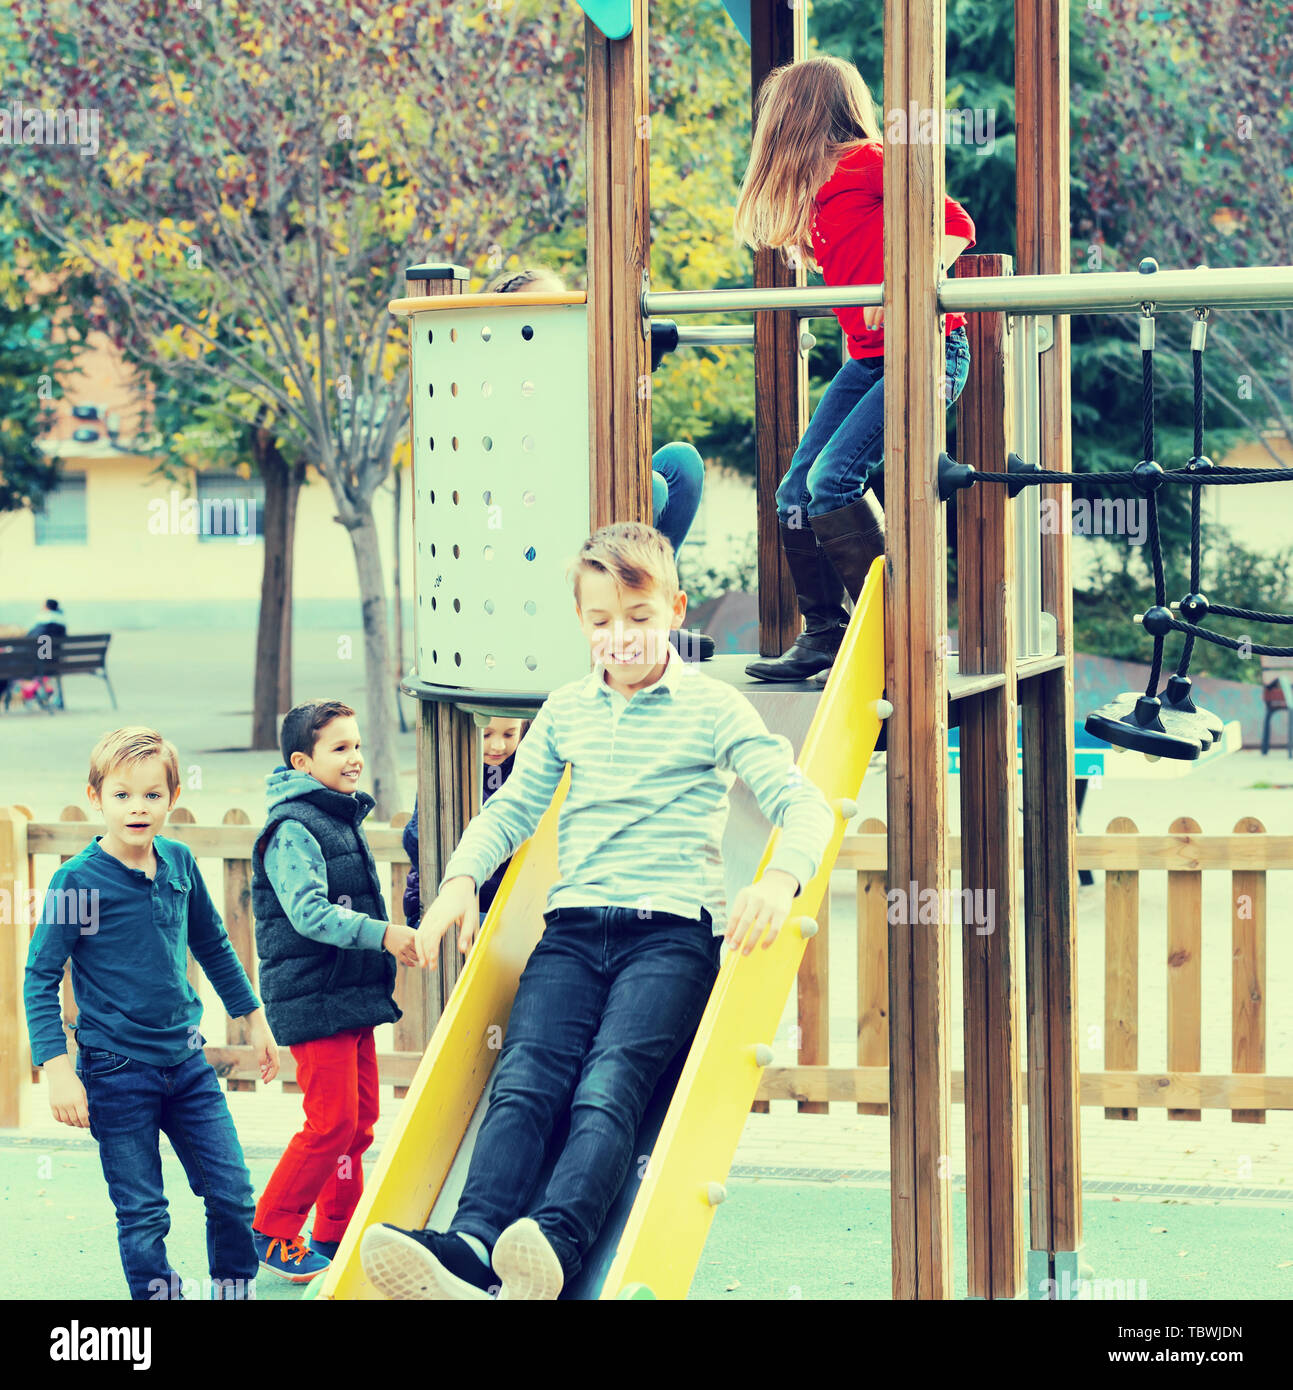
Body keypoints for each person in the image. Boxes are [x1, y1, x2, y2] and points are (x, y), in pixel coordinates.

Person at [359, 521, 836, 1300]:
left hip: (670, 937)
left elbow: (803, 804)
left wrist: (778, 880)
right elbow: (509, 811)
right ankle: (472, 1247)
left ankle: (551, 1243)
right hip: (573, 930)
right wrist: (457, 882)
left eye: (638, 618)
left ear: (675, 611)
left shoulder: (713, 709)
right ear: (581, 622)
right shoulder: (566, 711)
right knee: (525, 1078)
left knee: (609, 1082)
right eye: (601, 621)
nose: (620, 637)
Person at [733, 56, 976, 681]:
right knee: (795, 491)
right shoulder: (816, 191)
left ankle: (899, 632)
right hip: (870, 362)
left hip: (928, 354)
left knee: (833, 479)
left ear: (801, 116)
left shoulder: (868, 160)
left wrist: (900, 290)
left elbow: (954, 224)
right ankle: (823, 633)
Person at [23, 727, 277, 1300]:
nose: (138, 808)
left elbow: (212, 944)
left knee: (233, 1194)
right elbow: (39, 977)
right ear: (96, 796)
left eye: (152, 795)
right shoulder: (76, 882)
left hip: (187, 1064)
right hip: (115, 1072)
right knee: (142, 1213)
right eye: (122, 795)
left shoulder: (180, 862)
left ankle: (234, 1290)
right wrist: (58, 1069)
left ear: (173, 794)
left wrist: (254, 1020)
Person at [249, 699, 419, 1280]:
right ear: (303, 761)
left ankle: (335, 1231)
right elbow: (309, 915)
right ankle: (272, 1227)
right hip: (312, 995)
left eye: (357, 745)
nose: (355, 759)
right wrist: (386, 934)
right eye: (339, 748)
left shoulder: (338, 815)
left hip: (349, 996)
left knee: (361, 1120)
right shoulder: (293, 827)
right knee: (329, 1123)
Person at [486, 265, 715, 660]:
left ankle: (651, 613)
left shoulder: (575, 360)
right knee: (653, 487)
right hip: (539, 526)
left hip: (587, 494)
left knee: (682, 460)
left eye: (566, 305)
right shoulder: (507, 376)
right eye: (543, 309)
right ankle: (628, 617)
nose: (560, 317)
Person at [403, 715, 527, 929]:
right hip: (440, 901)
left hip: (501, 903)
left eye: (509, 734)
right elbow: (418, 842)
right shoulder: (447, 772)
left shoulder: (526, 772)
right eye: (486, 734)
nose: (498, 745)